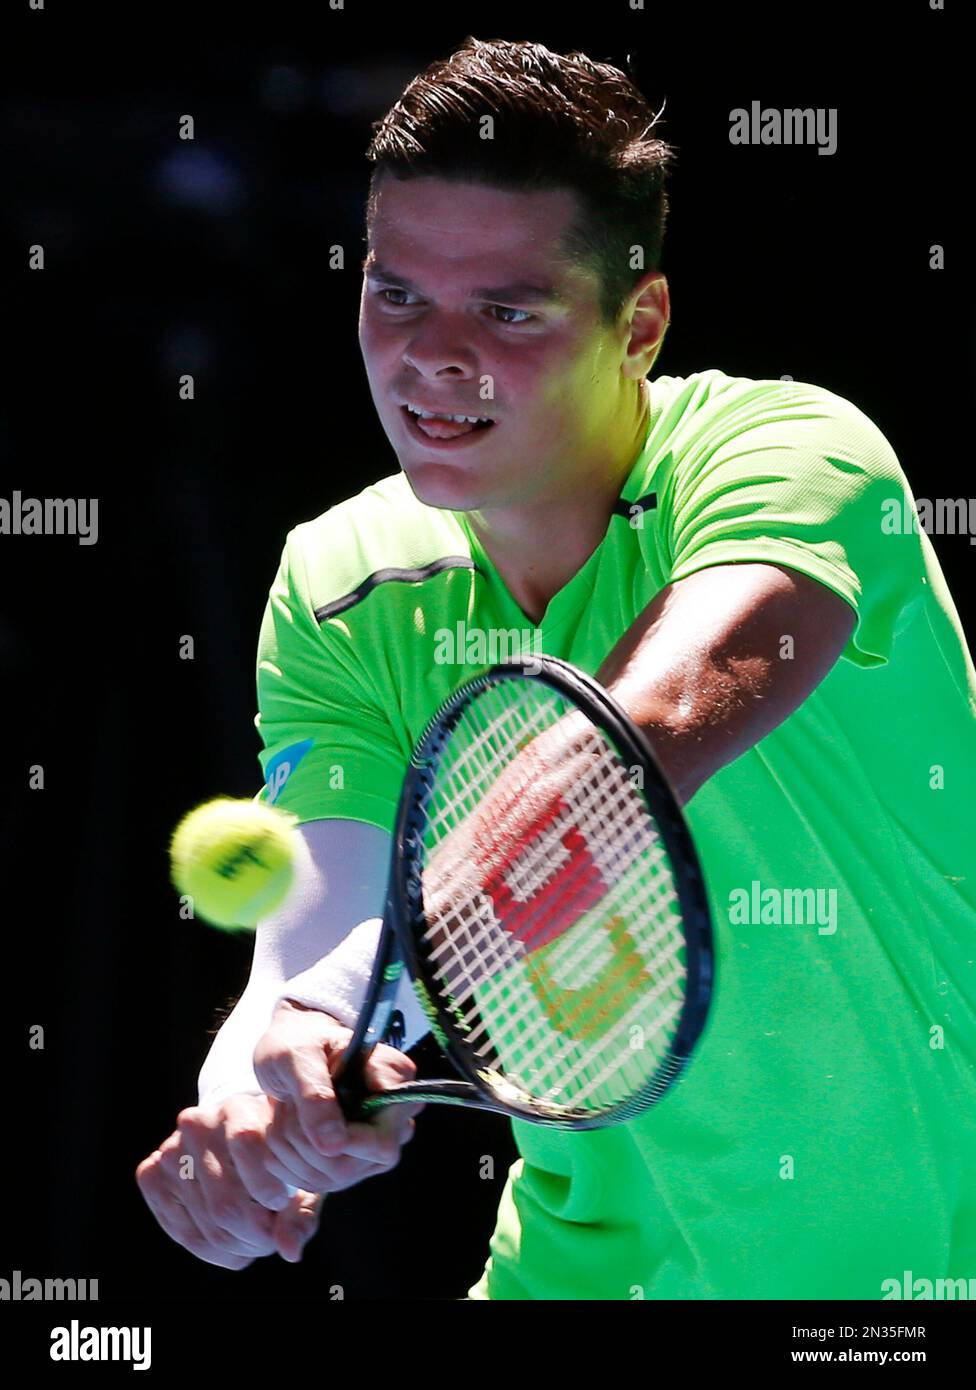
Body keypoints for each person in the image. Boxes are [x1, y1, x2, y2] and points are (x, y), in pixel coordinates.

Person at [137, 36, 976, 1299]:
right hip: (582, 1272)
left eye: (508, 309)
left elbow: (650, 728)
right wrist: (253, 1100)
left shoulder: (793, 452)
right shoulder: (341, 580)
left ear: (638, 324)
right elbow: (320, 941)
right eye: (397, 293)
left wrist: (373, 1000)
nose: (431, 355)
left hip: (914, 1271)